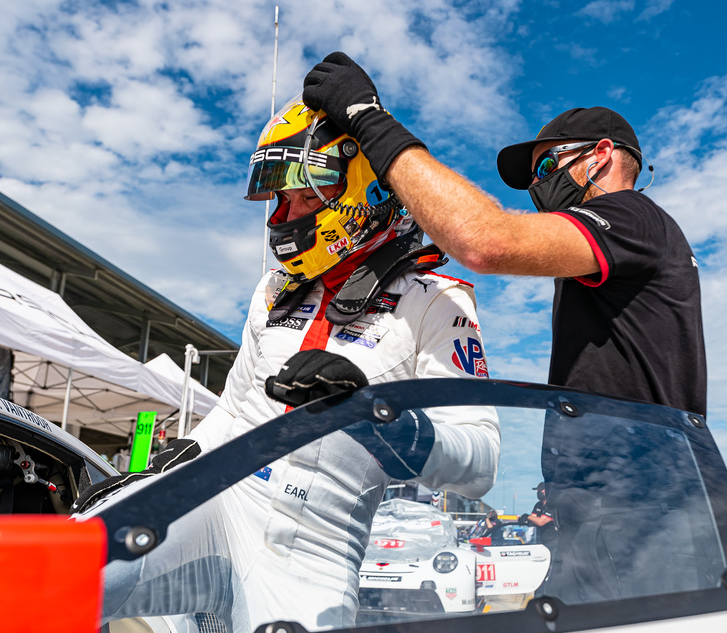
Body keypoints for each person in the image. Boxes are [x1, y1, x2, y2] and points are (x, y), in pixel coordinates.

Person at [85, 94, 501, 633]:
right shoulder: (273, 290)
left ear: (362, 192)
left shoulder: (437, 301)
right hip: (220, 505)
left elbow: (483, 464)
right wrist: (165, 467)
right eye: (281, 198)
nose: (286, 214)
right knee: (68, 570)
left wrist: (380, 419)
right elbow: (234, 411)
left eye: (304, 196)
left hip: (315, 550)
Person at [302, 53, 706, 417]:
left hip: (642, 489)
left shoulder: (631, 215)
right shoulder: (623, 244)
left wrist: (368, 119)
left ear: (600, 155)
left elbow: (485, 241)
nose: (537, 186)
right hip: (614, 484)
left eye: (547, 166)